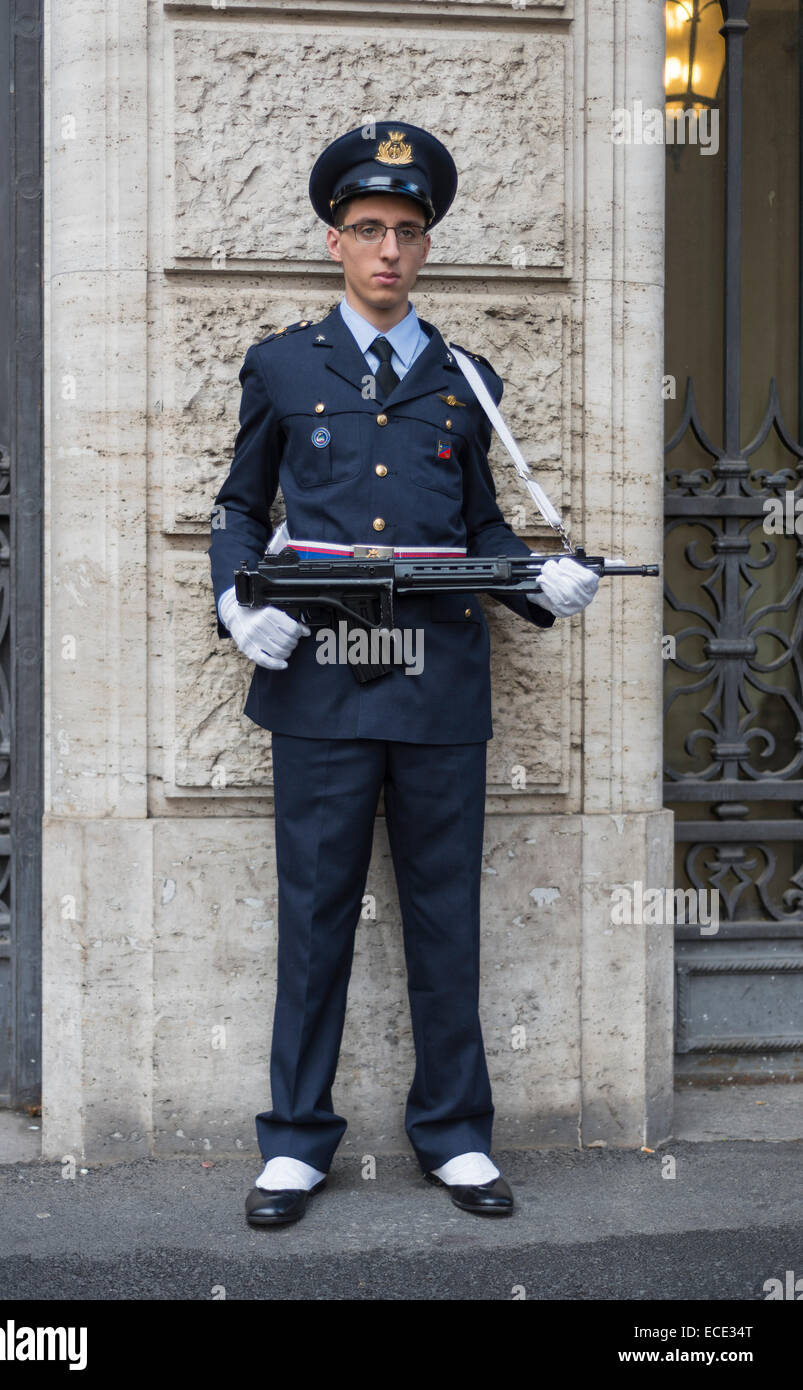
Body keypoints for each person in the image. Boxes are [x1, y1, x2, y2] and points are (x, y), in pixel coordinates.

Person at [208, 121, 599, 1227]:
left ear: (427, 245)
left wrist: (540, 584)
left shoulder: (468, 379)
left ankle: (456, 1135)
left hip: (436, 683)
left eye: (408, 231)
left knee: (443, 917)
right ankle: (295, 1142)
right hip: (322, 681)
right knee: (314, 915)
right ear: (334, 239)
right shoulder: (283, 366)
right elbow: (239, 506)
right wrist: (238, 603)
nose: (389, 249)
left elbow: (481, 527)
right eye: (369, 228)